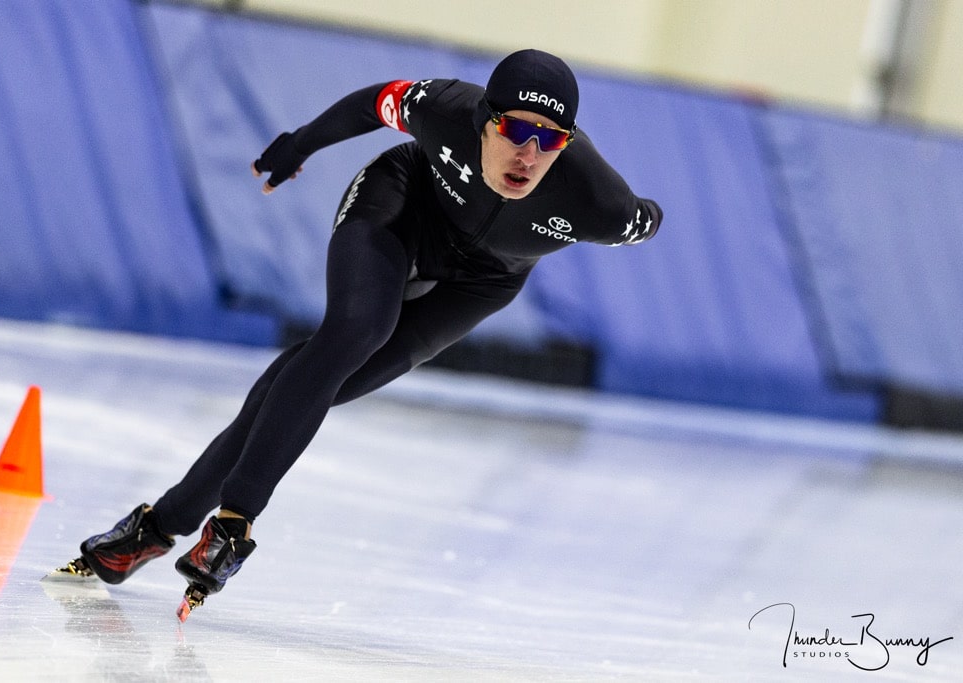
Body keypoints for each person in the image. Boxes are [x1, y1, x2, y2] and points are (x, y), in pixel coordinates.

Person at [54, 49, 663, 615]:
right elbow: (375, 102)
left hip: (483, 279)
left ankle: (156, 527)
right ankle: (232, 525)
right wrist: (300, 145)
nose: (529, 154)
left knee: (318, 382)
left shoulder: (599, 204)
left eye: (549, 138)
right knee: (351, 334)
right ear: (484, 120)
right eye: (515, 131)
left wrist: (640, 217)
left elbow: (648, 219)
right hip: (402, 205)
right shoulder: (444, 109)